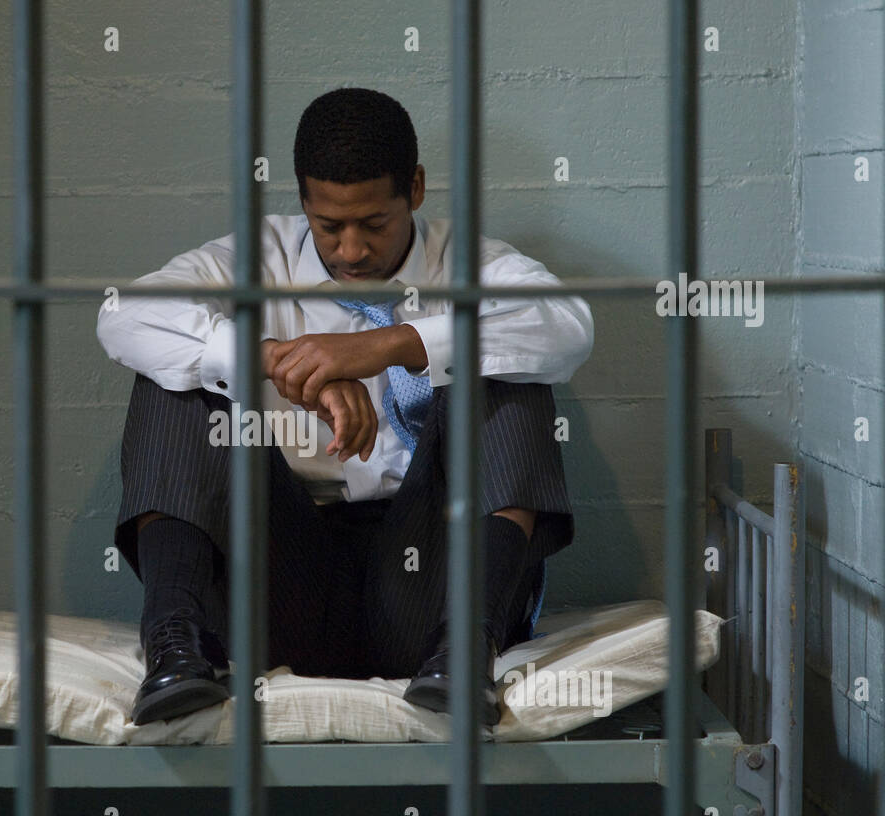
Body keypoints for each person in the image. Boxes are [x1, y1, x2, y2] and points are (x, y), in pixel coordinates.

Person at [96, 87, 593, 729]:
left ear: (413, 188)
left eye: (374, 224)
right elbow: (122, 315)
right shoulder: (254, 257)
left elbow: (568, 325)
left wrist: (386, 346)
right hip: (284, 578)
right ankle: (172, 650)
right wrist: (276, 360)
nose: (351, 250)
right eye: (329, 227)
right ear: (303, 199)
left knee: (503, 359)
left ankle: (468, 654)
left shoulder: (470, 261)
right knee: (180, 370)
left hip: (429, 586)